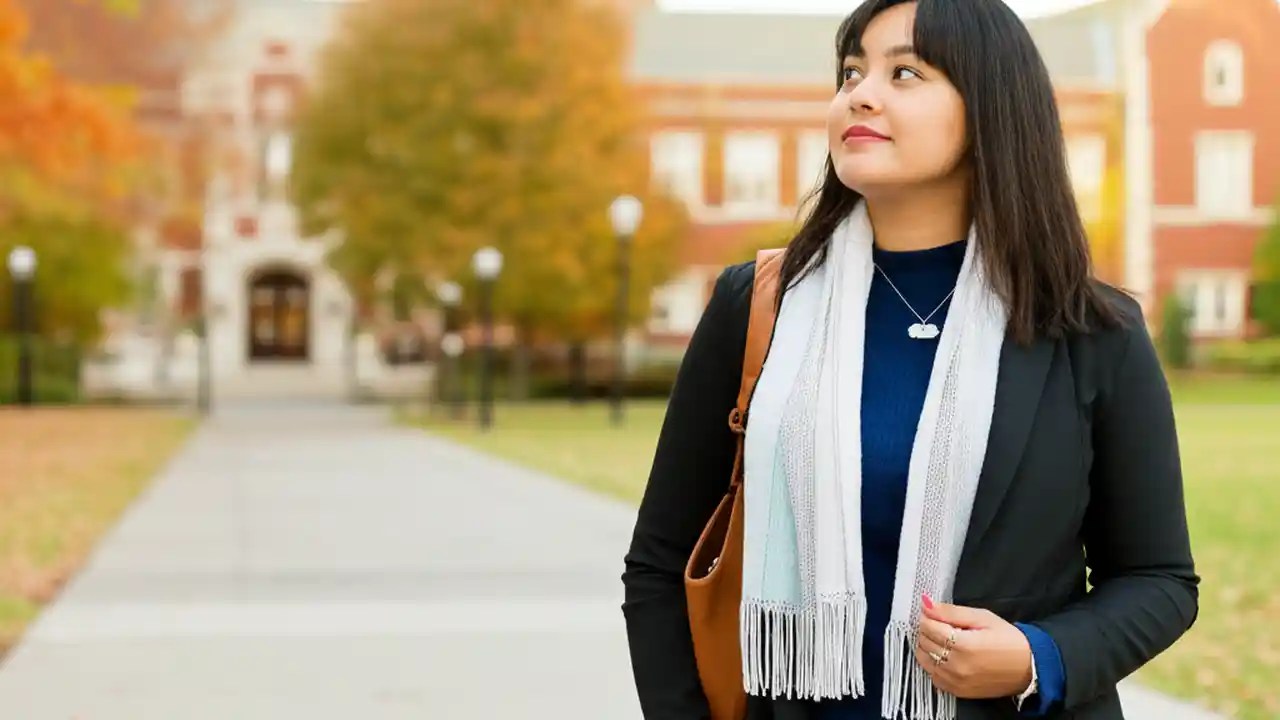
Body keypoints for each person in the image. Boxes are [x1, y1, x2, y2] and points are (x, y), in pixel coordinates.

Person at [620, 1, 1200, 719]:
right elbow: (659, 563)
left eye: (904, 73)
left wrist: (1039, 657)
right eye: (851, 71)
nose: (860, 94)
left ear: (989, 108)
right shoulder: (760, 305)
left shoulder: (1090, 331)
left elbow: (1159, 579)